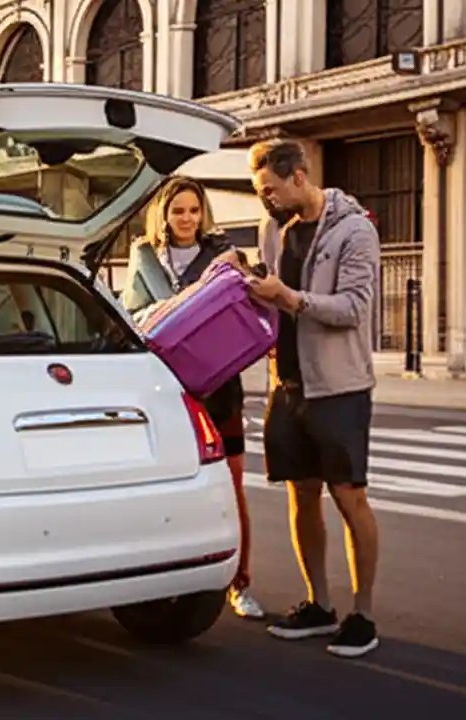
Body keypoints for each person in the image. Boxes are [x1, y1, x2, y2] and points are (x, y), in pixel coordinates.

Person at [246, 138, 382, 658]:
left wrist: (289, 298)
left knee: (349, 498)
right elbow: (272, 294)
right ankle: (319, 604)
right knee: (301, 494)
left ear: (298, 177)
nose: (266, 199)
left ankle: (362, 614)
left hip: (338, 386)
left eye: (270, 189)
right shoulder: (273, 229)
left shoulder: (355, 230)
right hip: (286, 383)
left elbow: (353, 308)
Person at [121, 175, 265, 621]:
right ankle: (166, 578)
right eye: (178, 210)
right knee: (166, 490)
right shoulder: (145, 255)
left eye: (194, 210)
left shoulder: (221, 253)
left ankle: (240, 583)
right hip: (167, 390)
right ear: (163, 215)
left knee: (232, 487)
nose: (186, 219)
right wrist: (173, 309)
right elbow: (131, 312)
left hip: (220, 385)